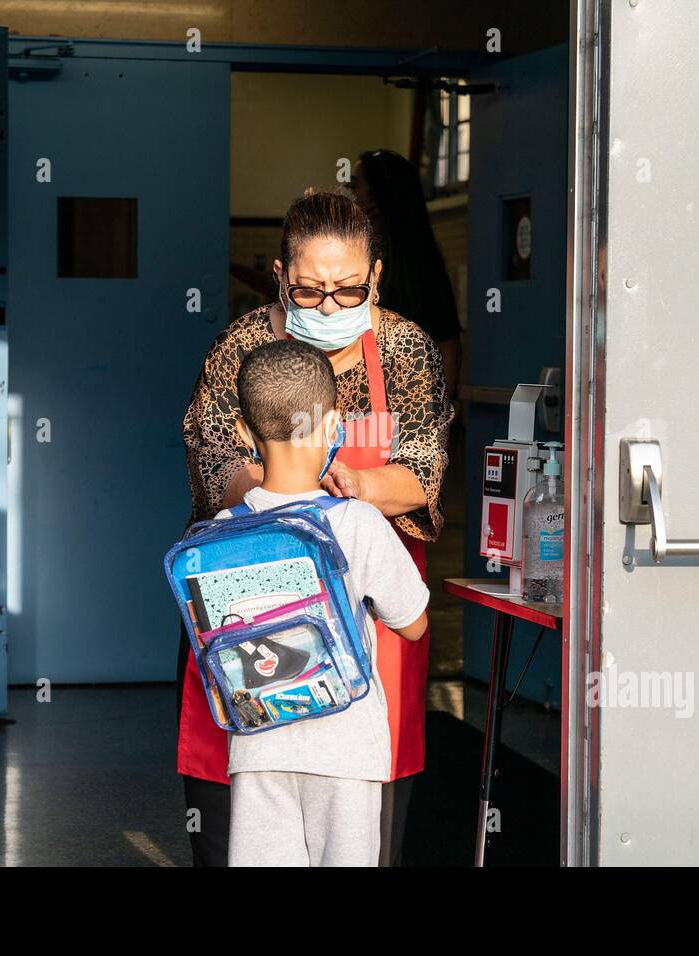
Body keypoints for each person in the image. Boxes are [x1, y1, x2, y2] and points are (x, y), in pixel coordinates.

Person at [179, 186, 453, 866]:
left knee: (361, 827)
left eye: (347, 288)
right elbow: (214, 460)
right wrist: (286, 501)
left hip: (372, 620)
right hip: (251, 601)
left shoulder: (406, 350)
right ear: (279, 276)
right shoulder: (240, 346)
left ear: (376, 276)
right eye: (308, 291)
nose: (329, 305)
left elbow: (423, 468)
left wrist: (356, 491)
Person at [217, 339, 428, 866]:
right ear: (334, 424)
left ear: (243, 432)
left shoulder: (218, 535)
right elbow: (415, 624)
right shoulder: (357, 522)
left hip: (259, 747)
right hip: (345, 748)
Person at [350, 149, 462, 396]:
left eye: (355, 187)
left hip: (407, 408)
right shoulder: (358, 256)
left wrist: (440, 419)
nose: (350, 196)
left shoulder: (419, 268)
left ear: (379, 196)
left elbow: (447, 345)